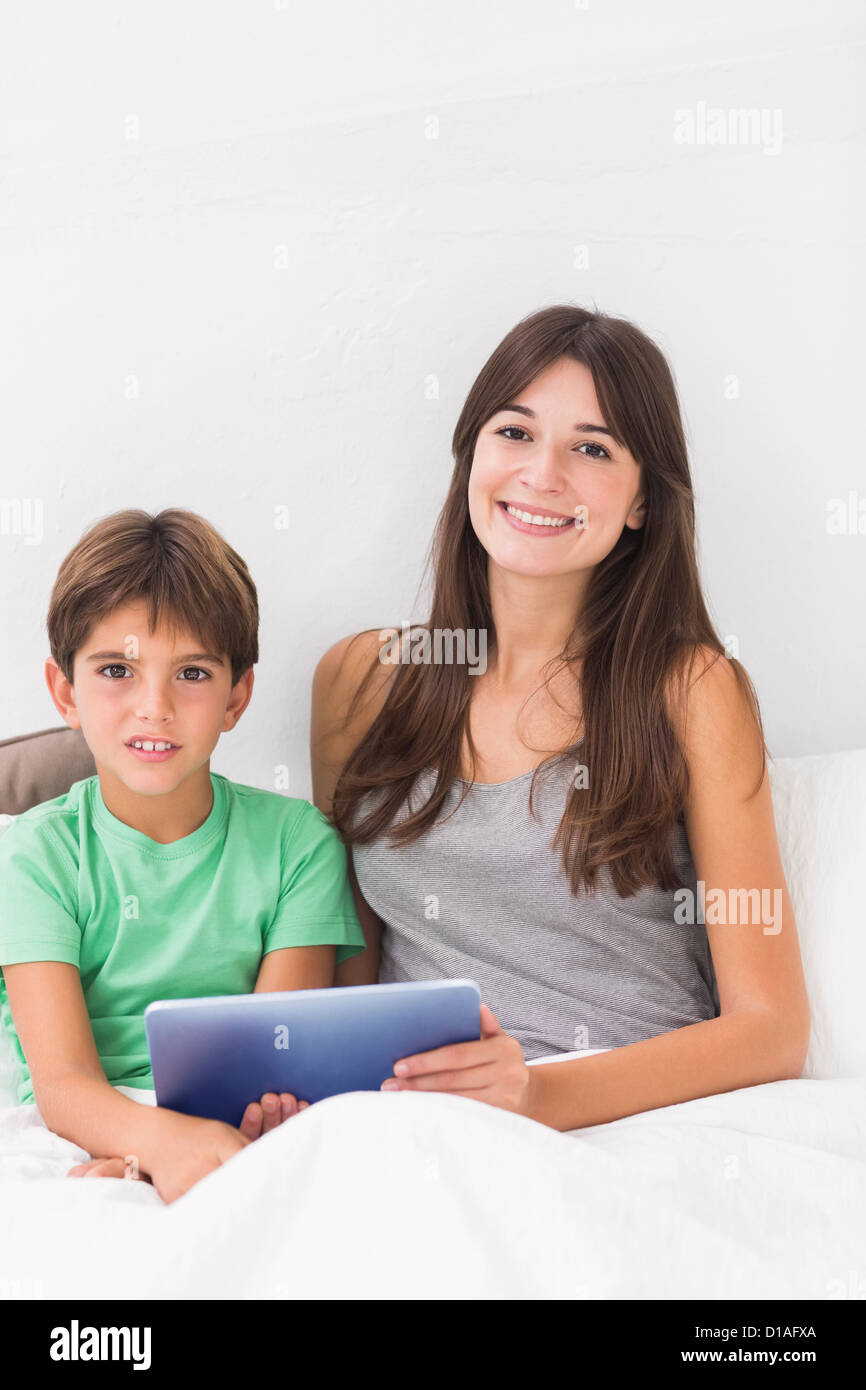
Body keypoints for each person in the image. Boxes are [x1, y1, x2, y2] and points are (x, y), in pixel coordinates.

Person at [312, 303, 811, 1132]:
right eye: (514, 433)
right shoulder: (361, 679)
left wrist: (536, 1098)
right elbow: (348, 982)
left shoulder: (691, 691)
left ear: (643, 500)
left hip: (626, 1128)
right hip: (412, 1127)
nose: (543, 475)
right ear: (471, 455)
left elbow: (772, 1028)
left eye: (591, 448)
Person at [0, 508, 366, 1202]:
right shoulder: (34, 856)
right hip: (80, 1133)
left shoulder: (298, 845)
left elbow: (273, 1051)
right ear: (65, 692)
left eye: (192, 673)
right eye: (117, 670)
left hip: (240, 1121)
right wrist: (151, 1148)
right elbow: (64, 1086)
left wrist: (193, 1143)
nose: (154, 706)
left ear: (237, 698)